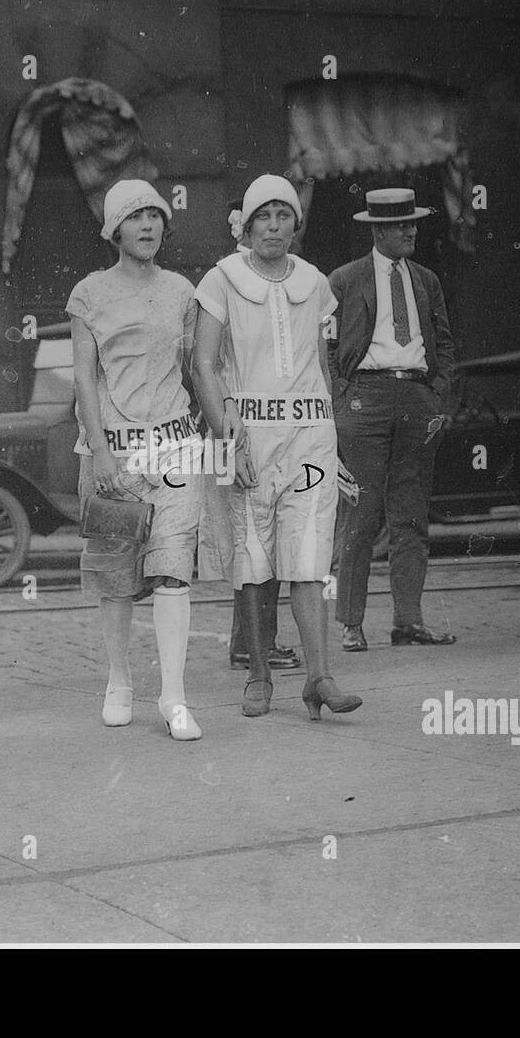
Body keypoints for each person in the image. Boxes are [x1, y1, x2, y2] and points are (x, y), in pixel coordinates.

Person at [193, 174, 362, 720]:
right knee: (253, 556)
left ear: (295, 224)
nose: (272, 225)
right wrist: (227, 437)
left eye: (282, 215)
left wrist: (328, 439)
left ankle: (320, 677)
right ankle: (260, 674)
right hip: (244, 434)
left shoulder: (314, 282)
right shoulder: (221, 280)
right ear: (244, 223)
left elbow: (320, 363)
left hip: (309, 434)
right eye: (262, 215)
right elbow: (202, 364)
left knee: (309, 555)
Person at [70, 179, 202, 740]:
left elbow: (198, 368)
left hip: (175, 448)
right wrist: (100, 451)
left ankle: (173, 696)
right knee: (116, 577)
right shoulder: (89, 294)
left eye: (155, 216)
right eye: (136, 217)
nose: (148, 226)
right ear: (114, 229)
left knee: (173, 570)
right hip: (114, 455)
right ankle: (119, 681)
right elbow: (83, 378)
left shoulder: (181, 291)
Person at [329, 188, 458, 652]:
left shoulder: (425, 280)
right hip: (366, 398)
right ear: (378, 229)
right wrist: (341, 401)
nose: (411, 231)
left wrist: (437, 397)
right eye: (402, 224)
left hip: (417, 397)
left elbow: (443, 343)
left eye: (414, 223)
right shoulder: (345, 280)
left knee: (412, 515)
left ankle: (409, 621)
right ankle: (350, 622)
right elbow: (325, 348)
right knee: (361, 514)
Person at [211, 197, 301, 673]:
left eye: (279, 218)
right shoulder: (228, 283)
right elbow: (212, 364)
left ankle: (252, 640)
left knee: (262, 534)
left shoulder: (275, 283)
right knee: (254, 536)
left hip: (269, 419)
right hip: (237, 419)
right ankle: (252, 643)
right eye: (255, 222)